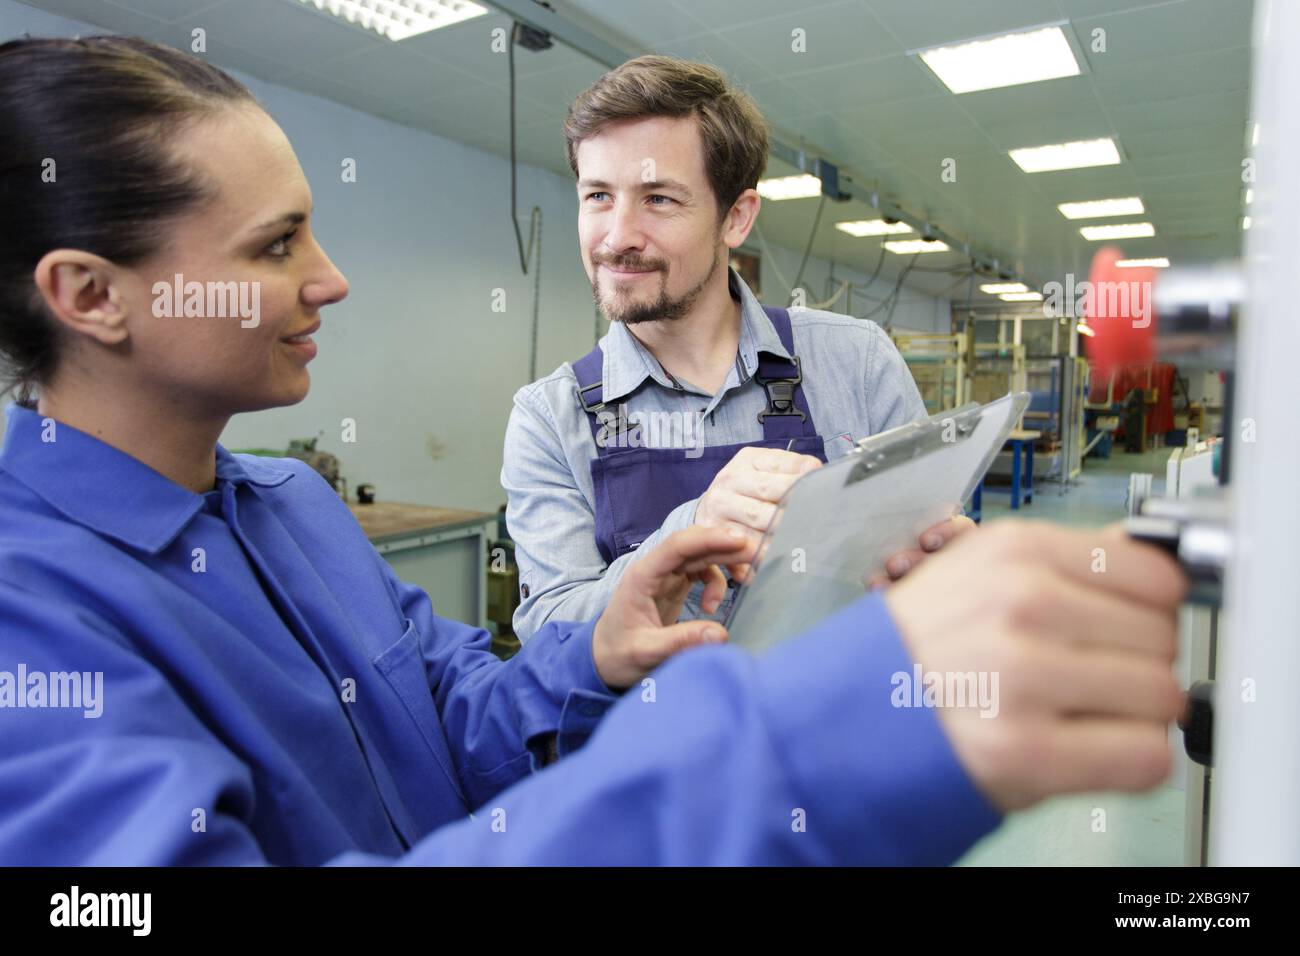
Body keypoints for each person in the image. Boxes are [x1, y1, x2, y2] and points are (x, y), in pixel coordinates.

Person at [0, 36, 1184, 866]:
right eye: (274, 246)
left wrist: (603, 649)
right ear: (92, 296)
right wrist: (807, 746)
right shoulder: (27, 615)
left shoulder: (292, 507)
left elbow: (457, 710)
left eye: (659, 199)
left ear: (735, 214)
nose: (331, 278)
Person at [503, 55, 970, 642]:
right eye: (598, 195)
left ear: (737, 218)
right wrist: (687, 534)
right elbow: (550, 642)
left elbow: (932, 595)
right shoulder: (549, 420)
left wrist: (946, 569)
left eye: (659, 199)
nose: (618, 237)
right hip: (653, 732)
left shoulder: (857, 362)